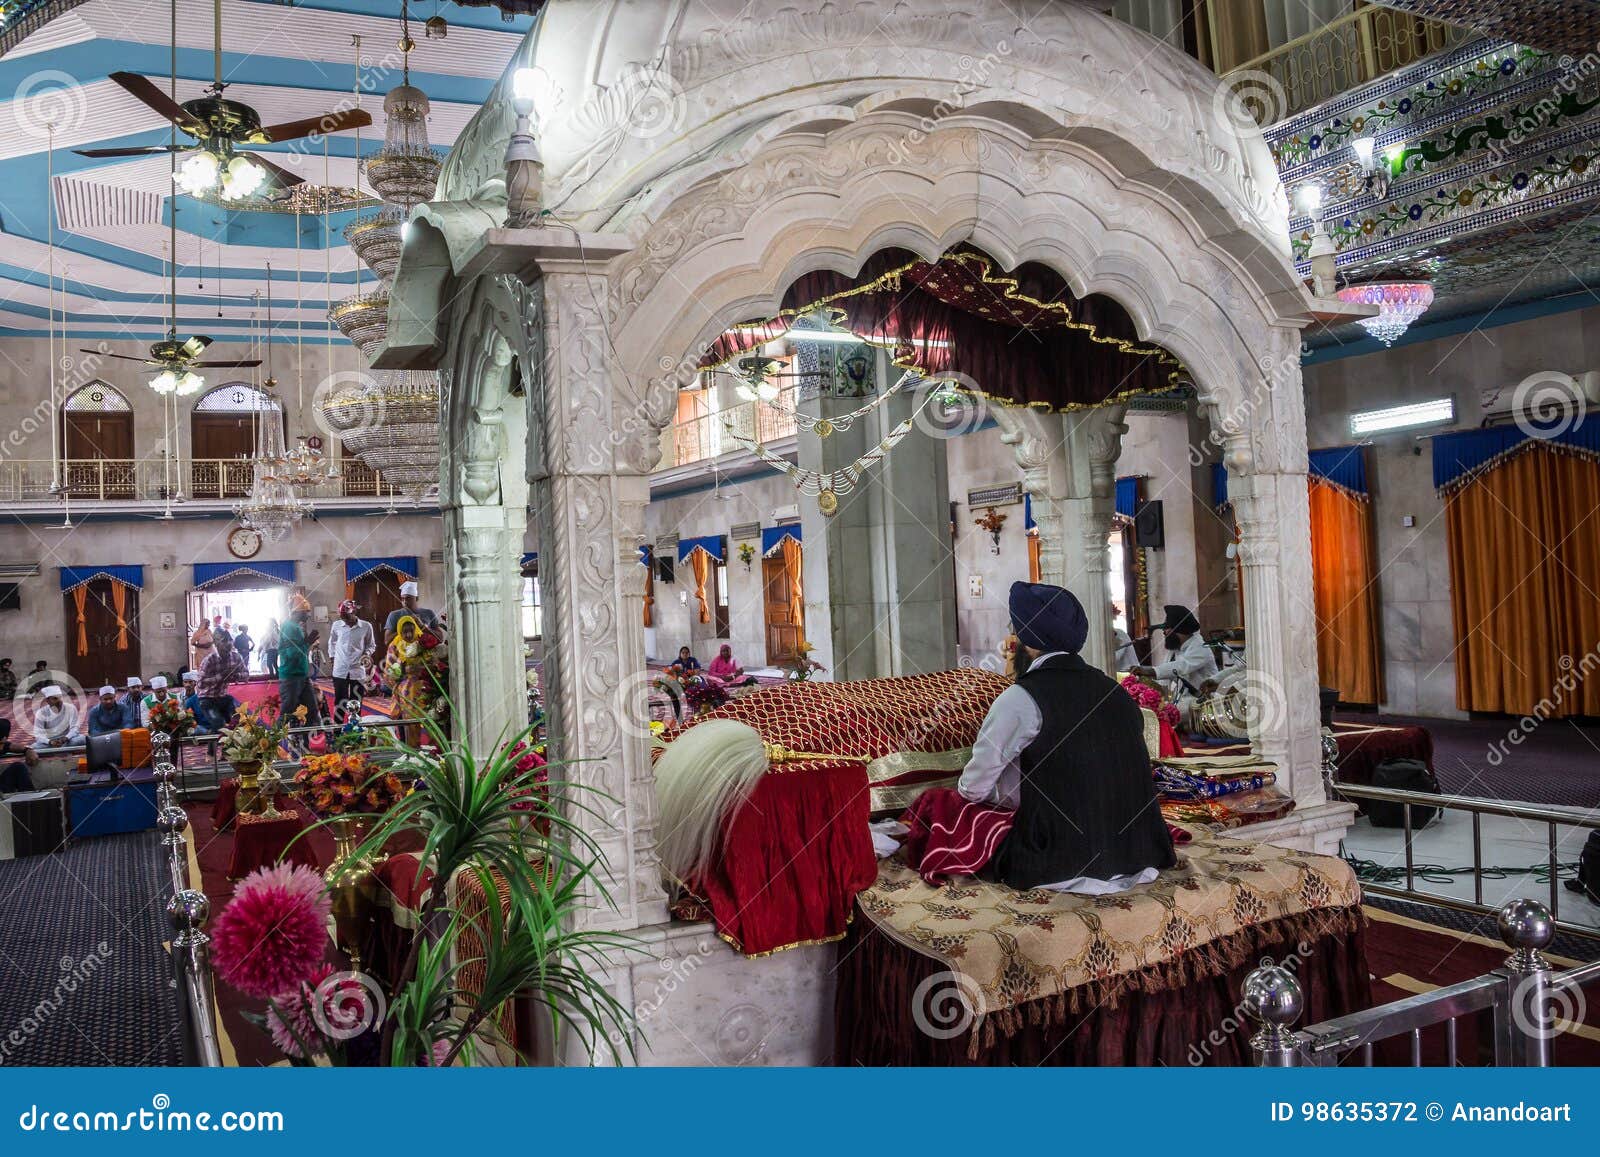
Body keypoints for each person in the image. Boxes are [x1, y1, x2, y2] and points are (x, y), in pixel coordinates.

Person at [958, 581, 1175, 893]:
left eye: (1017, 633)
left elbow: (973, 789)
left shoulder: (1020, 698)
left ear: (1026, 641)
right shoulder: (1114, 691)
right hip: (1137, 856)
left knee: (941, 811)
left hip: (1057, 862)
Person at [1131, 604, 1220, 722]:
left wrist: (1150, 671)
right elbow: (1163, 683)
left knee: (1163, 715)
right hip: (1180, 701)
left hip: (1203, 702)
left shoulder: (1200, 646)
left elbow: (1181, 667)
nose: (1164, 632)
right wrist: (1140, 683)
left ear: (1179, 629)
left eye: (1167, 628)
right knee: (1147, 709)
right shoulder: (1174, 650)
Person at [385, 615, 437, 745]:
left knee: (431, 719)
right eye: (404, 631)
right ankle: (414, 753)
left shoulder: (423, 641)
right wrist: (404, 669)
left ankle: (436, 753)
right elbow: (390, 672)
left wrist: (420, 668)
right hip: (407, 690)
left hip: (426, 686)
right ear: (399, 632)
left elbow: (435, 662)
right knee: (411, 722)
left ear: (415, 629)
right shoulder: (395, 645)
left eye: (411, 630)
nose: (408, 634)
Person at [277, 596, 322, 728]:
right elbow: (293, 654)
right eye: (306, 612)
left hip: (301, 675)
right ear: (296, 612)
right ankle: (271, 742)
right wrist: (308, 642)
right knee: (287, 713)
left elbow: (298, 649)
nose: (308, 615)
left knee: (312, 711)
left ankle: (306, 742)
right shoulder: (290, 627)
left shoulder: (294, 626)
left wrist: (306, 642)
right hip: (292, 677)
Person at [328, 600, 376, 719]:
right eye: (342, 617)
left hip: (357, 669)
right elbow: (332, 642)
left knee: (356, 702)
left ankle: (355, 729)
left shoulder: (366, 626)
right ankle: (338, 731)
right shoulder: (336, 625)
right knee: (340, 700)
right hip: (340, 669)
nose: (345, 619)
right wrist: (332, 656)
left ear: (353, 611)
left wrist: (366, 654)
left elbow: (371, 645)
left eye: (347, 616)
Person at [196, 631, 247, 732]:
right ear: (216, 643)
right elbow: (200, 683)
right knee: (218, 723)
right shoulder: (209, 660)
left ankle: (234, 746)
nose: (228, 643)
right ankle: (212, 744)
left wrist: (236, 676)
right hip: (207, 699)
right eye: (224, 641)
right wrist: (220, 677)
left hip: (223, 697)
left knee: (238, 721)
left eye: (230, 640)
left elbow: (246, 675)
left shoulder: (236, 657)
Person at [383, 580, 438, 650]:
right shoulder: (394, 615)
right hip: (402, 658)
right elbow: (387, 641)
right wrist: (403, 629)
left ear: (417, 598)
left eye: (408, 598)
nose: (404, 602)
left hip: (427, 657)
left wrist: (422, 626)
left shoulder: (429, 613)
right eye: (402, 599)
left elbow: (440, 638)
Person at [0, 719, 36, 794]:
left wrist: (27, 750)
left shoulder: (3, 745)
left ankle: (30, 799)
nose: (1, 748)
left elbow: (11, 746)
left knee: (18, 767)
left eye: (2, 744)